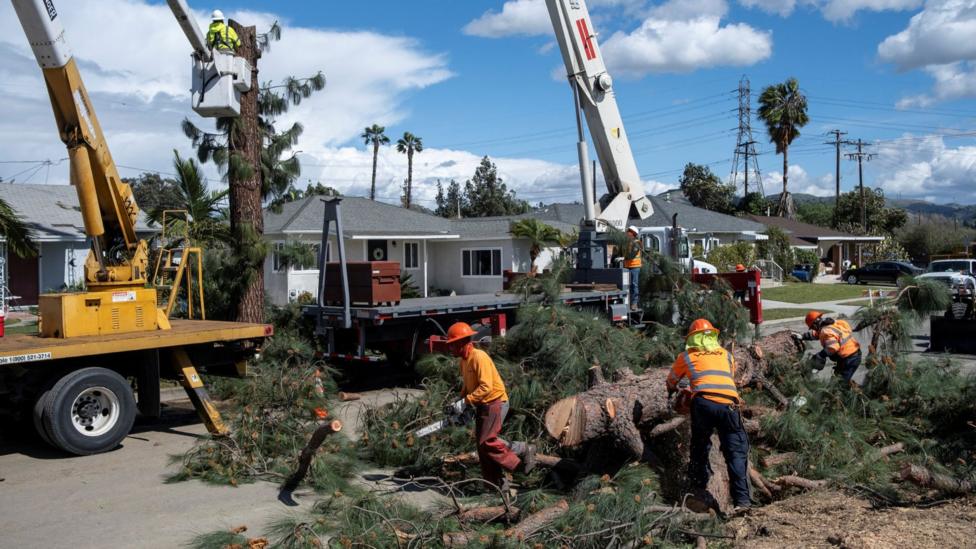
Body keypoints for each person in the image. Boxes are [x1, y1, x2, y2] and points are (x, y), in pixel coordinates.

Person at [666, 319, 751, 514]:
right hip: (729, 404)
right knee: (735, 451)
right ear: (713, 336)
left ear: (692, 338)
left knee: (700, 445)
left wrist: (675, 391)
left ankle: (698, 487)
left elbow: (671, 381)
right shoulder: (727, 355)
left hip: (703, 403)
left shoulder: (686, 356)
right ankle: (742, 501)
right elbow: (724, 378)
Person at [445, 322, 534, 487]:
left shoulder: (479, 357)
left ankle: (522, 451)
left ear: (461, 342)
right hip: (483, 404)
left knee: (488, 441)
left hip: (495, 401)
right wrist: (459, 400)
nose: (450, 349)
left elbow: (486, 387)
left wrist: (467, 401)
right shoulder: (463, 361)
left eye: (452, 345)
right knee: (482, 447)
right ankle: (496, 484)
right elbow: (468, 386)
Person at [801, 311, 861, 384]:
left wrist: (821, 355)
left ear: (815, 325)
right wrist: (802, 336)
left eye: (812, 327)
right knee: (837, 378)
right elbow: (817, 334)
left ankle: (845, 392)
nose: (813, 329)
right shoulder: (834, 323)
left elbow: (833, 347)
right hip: (853, 354)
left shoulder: (825, 331)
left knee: (840, 384)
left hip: (850, 359)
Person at [625, 226, 643, 310]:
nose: (627, 233)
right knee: (628, 286)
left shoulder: (637, 243)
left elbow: (632, 255)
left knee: (634, 284)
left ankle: (634, 303)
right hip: (628, 267)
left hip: (635, 267)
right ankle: (629, 302)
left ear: (633, 234)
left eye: (629, 231)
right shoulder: (628, 242)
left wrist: (624, 258)